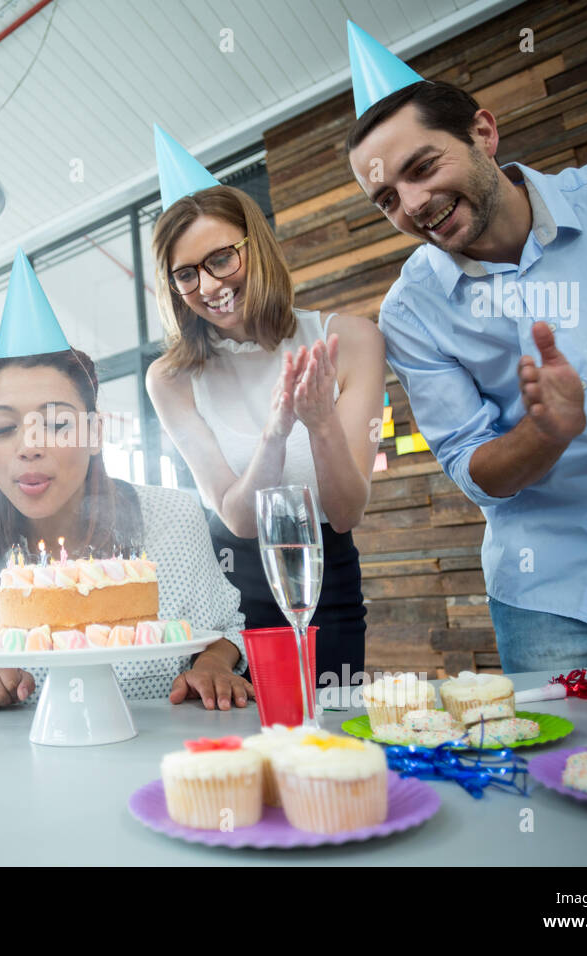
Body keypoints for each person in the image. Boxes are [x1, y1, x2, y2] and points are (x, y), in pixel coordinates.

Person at [342, 25, 587, 671]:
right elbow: (474, 470)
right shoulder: (410, 312)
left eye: (423, 167)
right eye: (387, 199)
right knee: (566, 770)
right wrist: (543, 435)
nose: (412, 205)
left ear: (484, 134)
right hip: (550, 597)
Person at [0, 252, 251, 713]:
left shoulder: (172, 517)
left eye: (58, 424)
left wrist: (214, 663)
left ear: (95, 433)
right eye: (3, 429)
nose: (28, 446)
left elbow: (225, 628)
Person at [145, 128, 385, 690]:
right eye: (186, 274)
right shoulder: (172, 378)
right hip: (226, 595)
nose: (210, 286)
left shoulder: (351, 341)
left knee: (326, 739)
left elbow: (347, 511)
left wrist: (320, 422)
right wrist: (276, 431)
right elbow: (238, 517)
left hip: (327, 581)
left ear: (256, 245)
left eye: (222, 258)